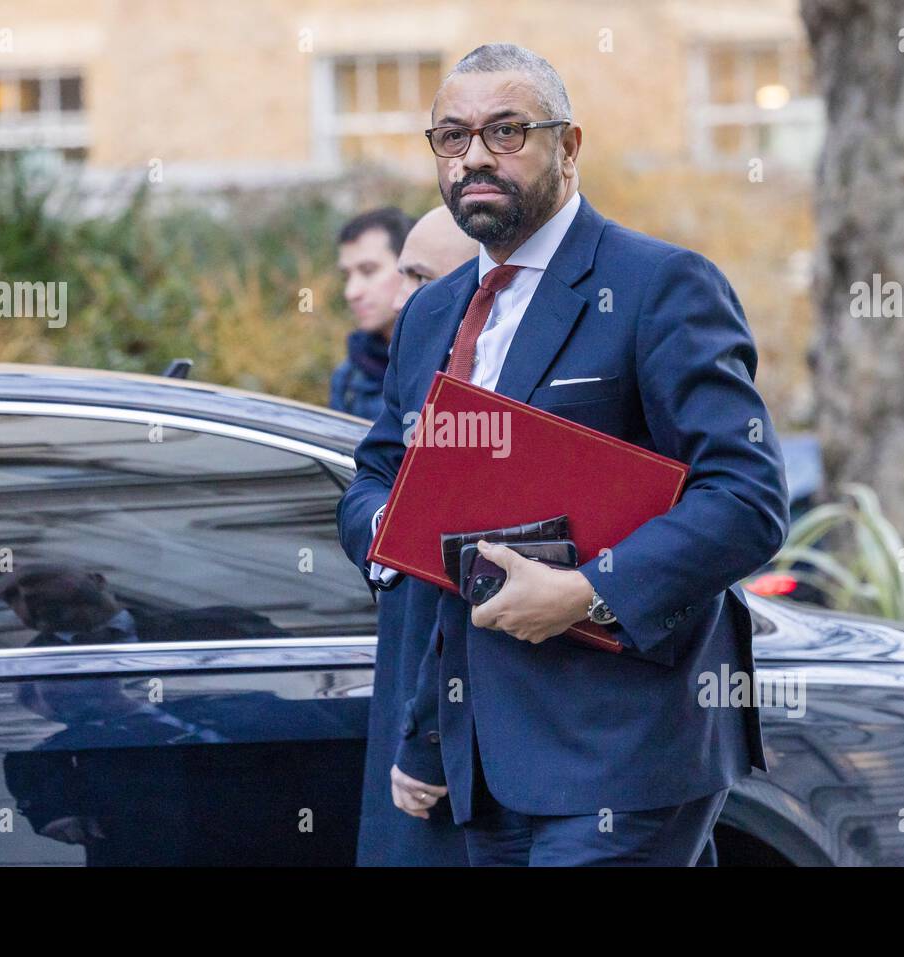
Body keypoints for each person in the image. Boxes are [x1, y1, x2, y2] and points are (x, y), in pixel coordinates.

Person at [337, 43, 789, 866]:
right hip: (478, 758)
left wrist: (587, 592)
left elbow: (746, 496)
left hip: (625, 746)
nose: (474, 155)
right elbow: (376, 477)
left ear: (569, 146)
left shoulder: (661, 285)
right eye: (451, 136)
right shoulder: (431, 313)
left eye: (507, 132)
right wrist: (391, 530)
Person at [354, 206, 477, 866]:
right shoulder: (415, 357)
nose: (399, 297)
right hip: (411, 704)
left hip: (460, 741)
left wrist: (428, 739)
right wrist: (389, 525)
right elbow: (370, 472)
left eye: (418, 278)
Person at [329, 207, 413, 420]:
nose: (351, 292)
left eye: (368, 271)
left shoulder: (459, 361)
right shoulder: (349, 378)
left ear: (411, 268)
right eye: (346, 276)